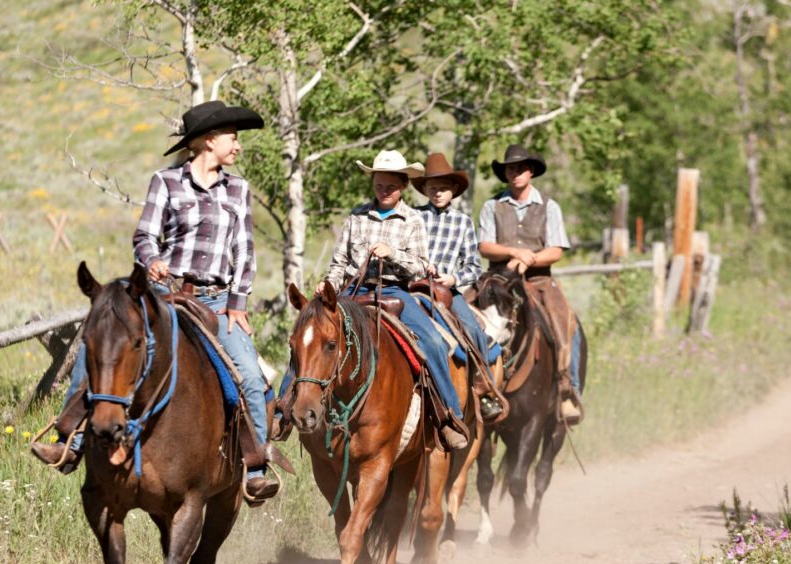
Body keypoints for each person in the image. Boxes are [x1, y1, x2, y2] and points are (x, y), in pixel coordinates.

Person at [32, 100, 280, 502]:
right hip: (163, 294)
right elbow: (144, 235)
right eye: (232, 139)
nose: (238, 146)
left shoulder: (238, 190)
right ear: (208, 141)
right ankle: (70, 441)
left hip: (215, 301)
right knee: (99, 346)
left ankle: (254, 467)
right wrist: (154, 261)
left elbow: (245, 252)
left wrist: (238, 303)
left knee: (250, 377)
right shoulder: (166, 182)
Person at [278, 149, 469, 450]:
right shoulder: (356, 216)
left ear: (403, 185)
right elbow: (339, 261)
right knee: (309, 337)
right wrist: (328, 283)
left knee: (433, 342)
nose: (384, 190)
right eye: (379, 184)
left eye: (391, 185)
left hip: (394, 292)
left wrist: (393, 254)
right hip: (352, 292)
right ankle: (283, 412)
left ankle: (449, 417)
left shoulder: (413, 220)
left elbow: (421, 265)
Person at [477, 143, 584, 424]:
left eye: (521, 168)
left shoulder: (549, 206)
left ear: (531, 171)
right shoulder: (492, 206)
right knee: (465, 317)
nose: (515, 172)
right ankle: (475, 389)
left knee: (566, 324)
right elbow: (485, 246)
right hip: (500, 280)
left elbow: (556, 250)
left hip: (539, 281)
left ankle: (566, 389)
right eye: (510, 168)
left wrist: (530, 259)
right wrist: (513, 253)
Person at [412, 152, 506, 423]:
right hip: (413, 286)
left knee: (475, 328)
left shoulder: (463, 221)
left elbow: (474, 266)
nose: (438, 192)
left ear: (453, 189)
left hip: (447, 292)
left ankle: (484, 387)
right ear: (425, 189)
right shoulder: (413, 217)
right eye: (432, 187)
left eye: (443, 187)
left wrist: (453, 279)